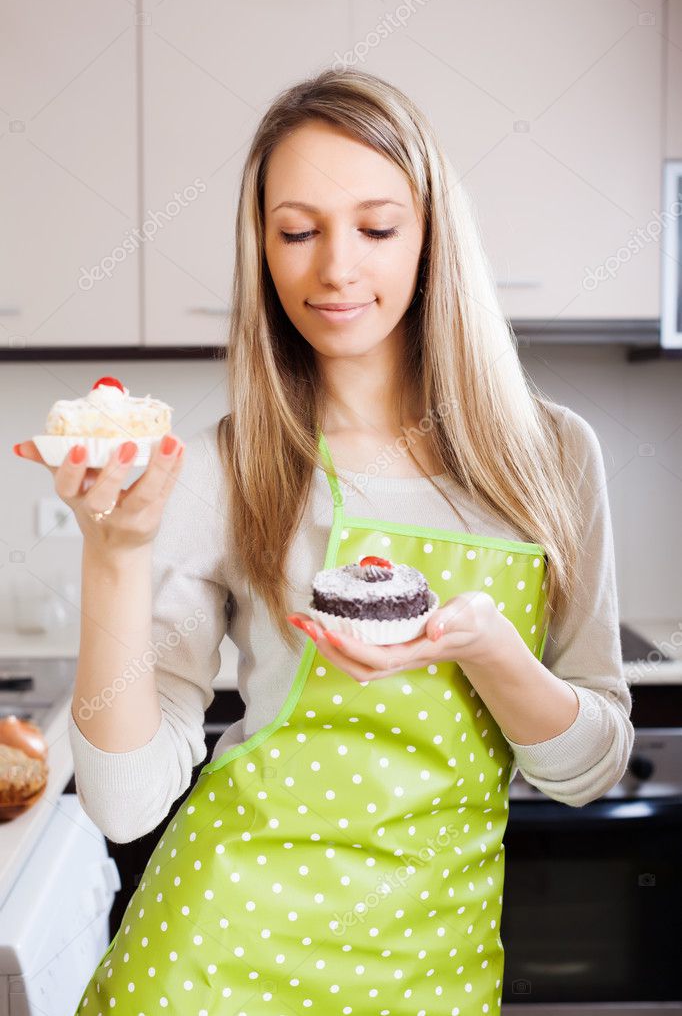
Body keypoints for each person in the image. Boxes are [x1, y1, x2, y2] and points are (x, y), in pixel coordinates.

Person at [16, 67, 633, 1014]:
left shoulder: (550, 456)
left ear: (431, 237)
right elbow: (125, 799)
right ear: (262, 250)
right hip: (216, 959)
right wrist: (113, 553)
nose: (336, 268)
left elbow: (590, 767)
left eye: (377, 228)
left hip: (431, 960)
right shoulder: (233, 465)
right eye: (296, 232)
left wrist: (488, 648)